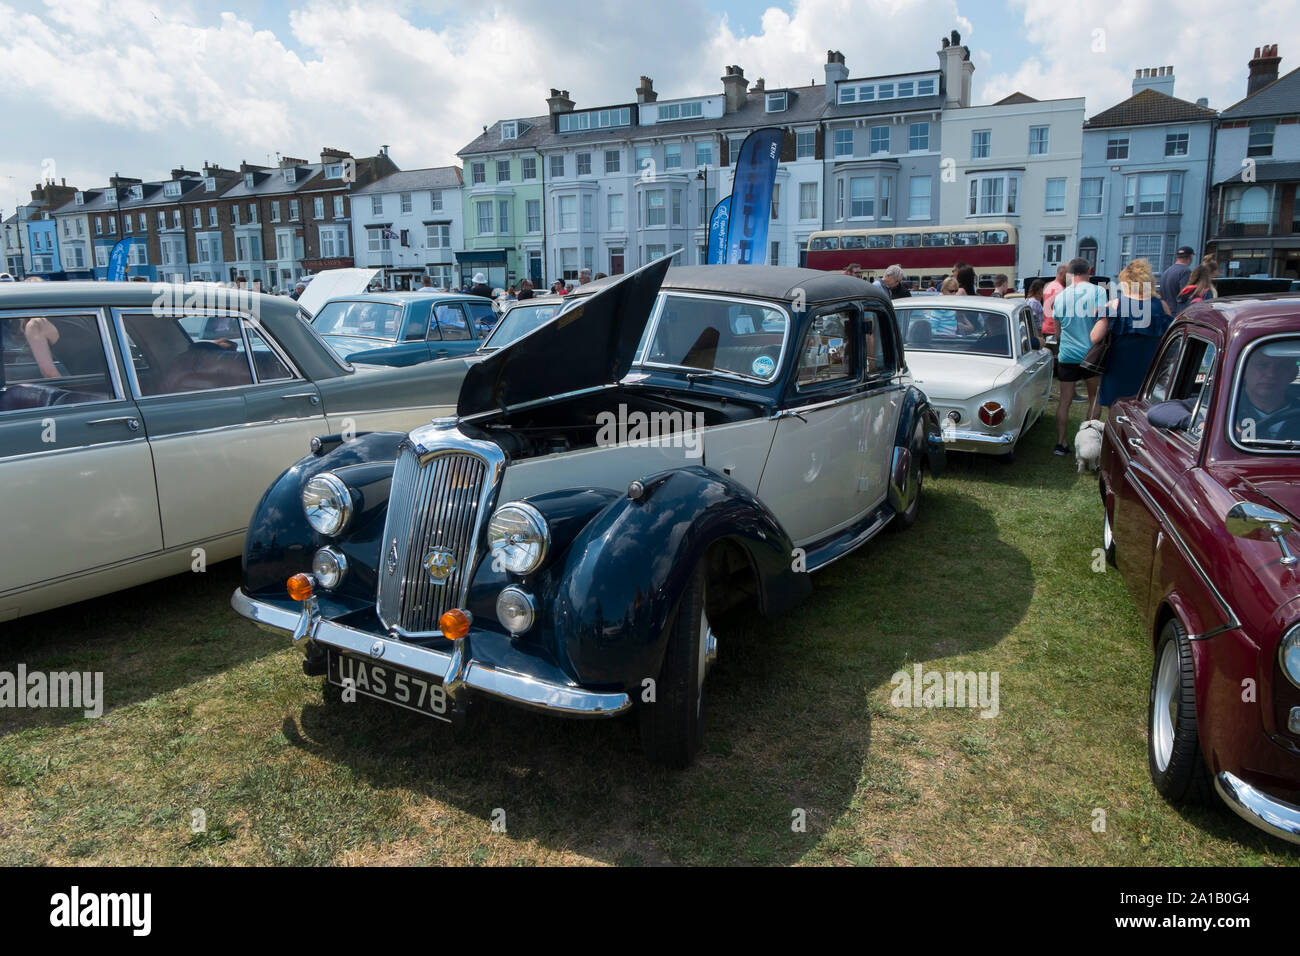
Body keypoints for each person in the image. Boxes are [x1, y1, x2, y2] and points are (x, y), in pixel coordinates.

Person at [1090, 259, 1172, 409]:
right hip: (1150, 372)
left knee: (1118, 416)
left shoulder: (1115, 305)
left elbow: (1095, 337)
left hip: (1118, 371)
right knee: (1146, 417)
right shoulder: (1162, 306)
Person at [1052, 257, 1107, 455]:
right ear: (1089, 270)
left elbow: (1057, 329)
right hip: (1091, 353)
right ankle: (1088, 443)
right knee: (1094, 398)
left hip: (1067, 353)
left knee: (1064, 400)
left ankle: (1061, 442)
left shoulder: (1061, 295)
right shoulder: (1099, 291)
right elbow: (1103, 320)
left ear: (1070, 274)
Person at [1235, 347, 1300, 441]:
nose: (1271, 374)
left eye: (1281, 366)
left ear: (1294, 373)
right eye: (1262, 365)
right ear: (1243, 370)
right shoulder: (1223, 412)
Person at [1158, 246, 1195, 314]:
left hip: (1165, 310)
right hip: (1177, 312)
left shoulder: (1166, 271)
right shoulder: (1186, 271)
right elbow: (1184, 295)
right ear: (1191, 257)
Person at [1041, 263, 1067, 347]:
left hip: (1046, 328)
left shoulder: (1048, 286)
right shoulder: (1060, 290)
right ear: (1060, 273)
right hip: (1054, 330)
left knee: (1050, 353)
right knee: (1056, 355)